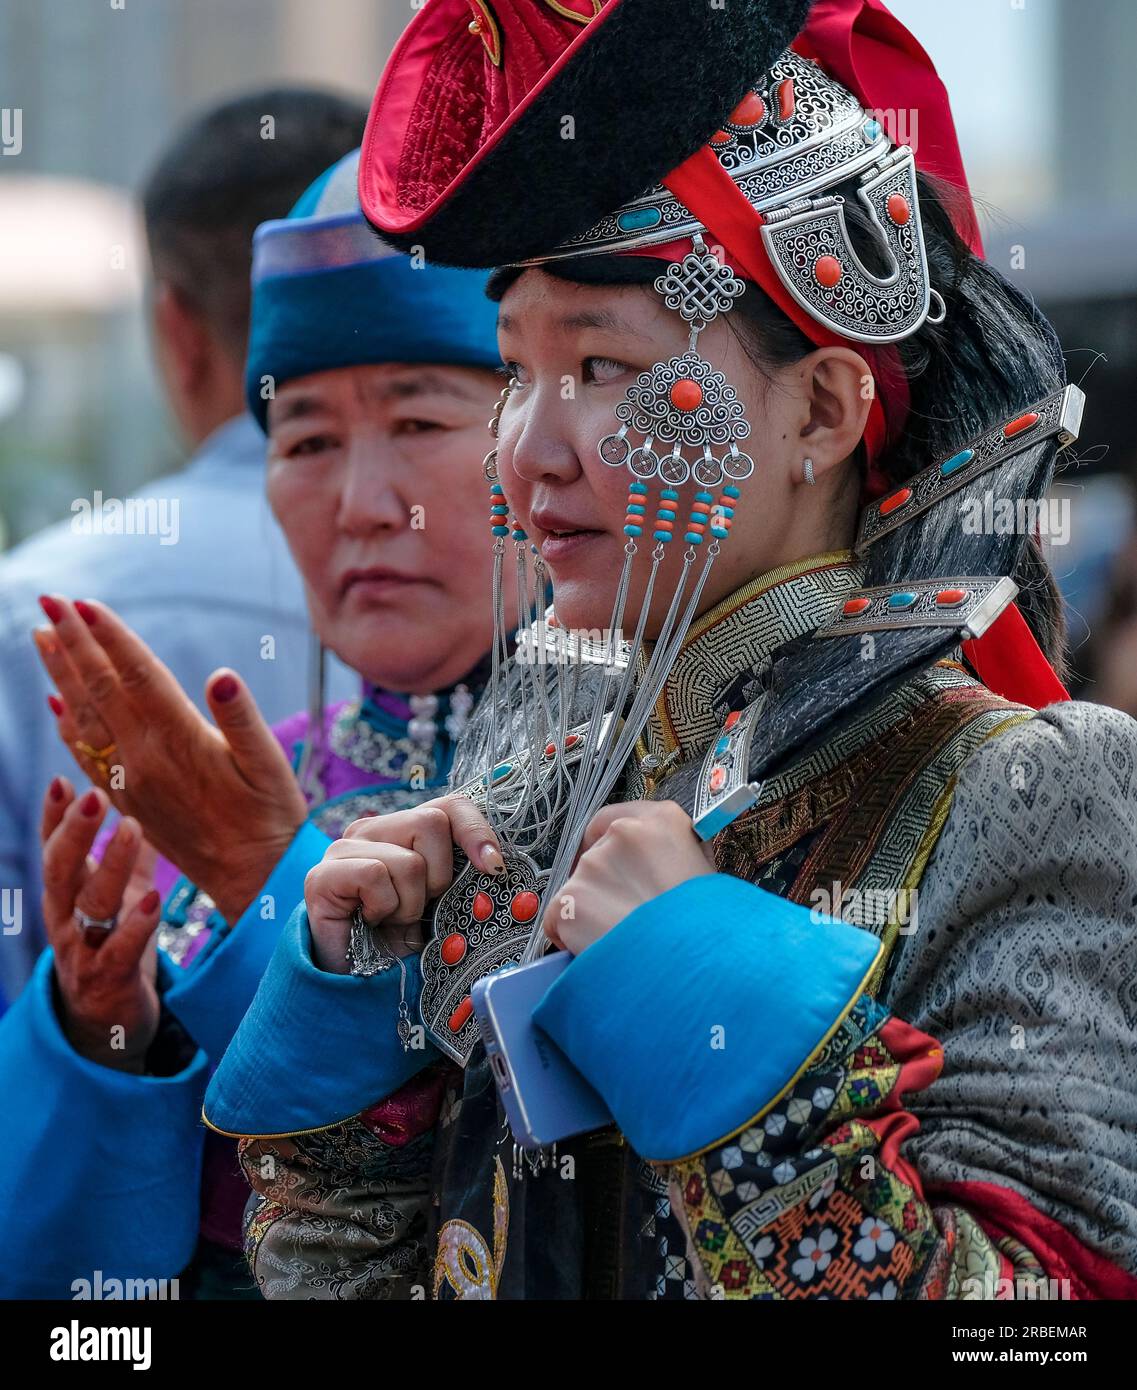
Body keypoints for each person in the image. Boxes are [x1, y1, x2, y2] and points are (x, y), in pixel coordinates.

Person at [207, 0, 1137, 1300]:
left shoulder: (1022, 789)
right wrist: (360, 1075)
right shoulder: (530, 806)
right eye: (514, 369)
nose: (529, 449)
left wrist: (719, 1013)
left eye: (600, 362)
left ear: (820, 405)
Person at [0, 149, 508, 1298]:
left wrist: (268, 883)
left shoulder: (647, 771)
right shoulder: (270, 767)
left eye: (421, 421)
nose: (363, 504)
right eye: (309, 441)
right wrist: (105, 1029)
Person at [0, 89, 366, 1005]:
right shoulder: (548, 593)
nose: (358, 515)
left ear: (174, 328)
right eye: (309, 439)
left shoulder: (30, 605)